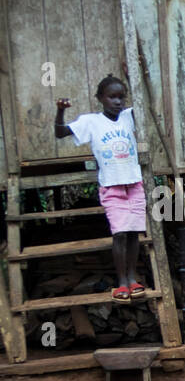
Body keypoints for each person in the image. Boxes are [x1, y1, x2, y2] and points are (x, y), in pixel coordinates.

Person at [55, 75, 147, 302]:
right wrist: (60, 111)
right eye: (112, 97)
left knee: (134, 232)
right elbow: (60, 133)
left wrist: (132, 76)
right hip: (111, 185)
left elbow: (148, 98)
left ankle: (133, 277)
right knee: (120, 233)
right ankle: (122, 282)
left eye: (121, 97)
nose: (118, 102)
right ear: (100, 98)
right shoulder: (90, 122)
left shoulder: (128, 117)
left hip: (134, 182)